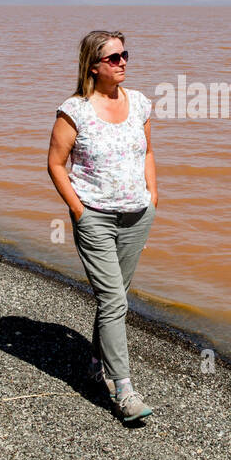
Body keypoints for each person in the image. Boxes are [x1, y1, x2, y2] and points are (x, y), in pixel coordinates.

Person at [47, 31, 158, 422]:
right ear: (93, 65)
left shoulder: (141, 103)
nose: (123, 62)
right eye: (113, 58)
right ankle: (124, 390)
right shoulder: (74, 110)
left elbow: (148, 151)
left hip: (137, 216)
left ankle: (95, 362)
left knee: (115, 298)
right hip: (94, 217)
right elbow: (56, 164)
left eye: (125, 54)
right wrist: (78, 210)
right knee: (114, 302)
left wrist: (153, 197)